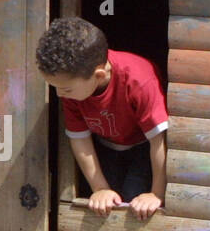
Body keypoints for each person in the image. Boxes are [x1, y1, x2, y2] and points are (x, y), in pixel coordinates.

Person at [35, 16, 168, 219]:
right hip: (106, 147)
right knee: (103, 205)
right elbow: (79, 139)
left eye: (66, 88)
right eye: (56, 88)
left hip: (144, 148)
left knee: (135, 201)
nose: (59, 94)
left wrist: (156, 194)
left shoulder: (139, 80)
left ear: (98, 76)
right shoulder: (70, 89)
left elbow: (158, 140)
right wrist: (100, 188)